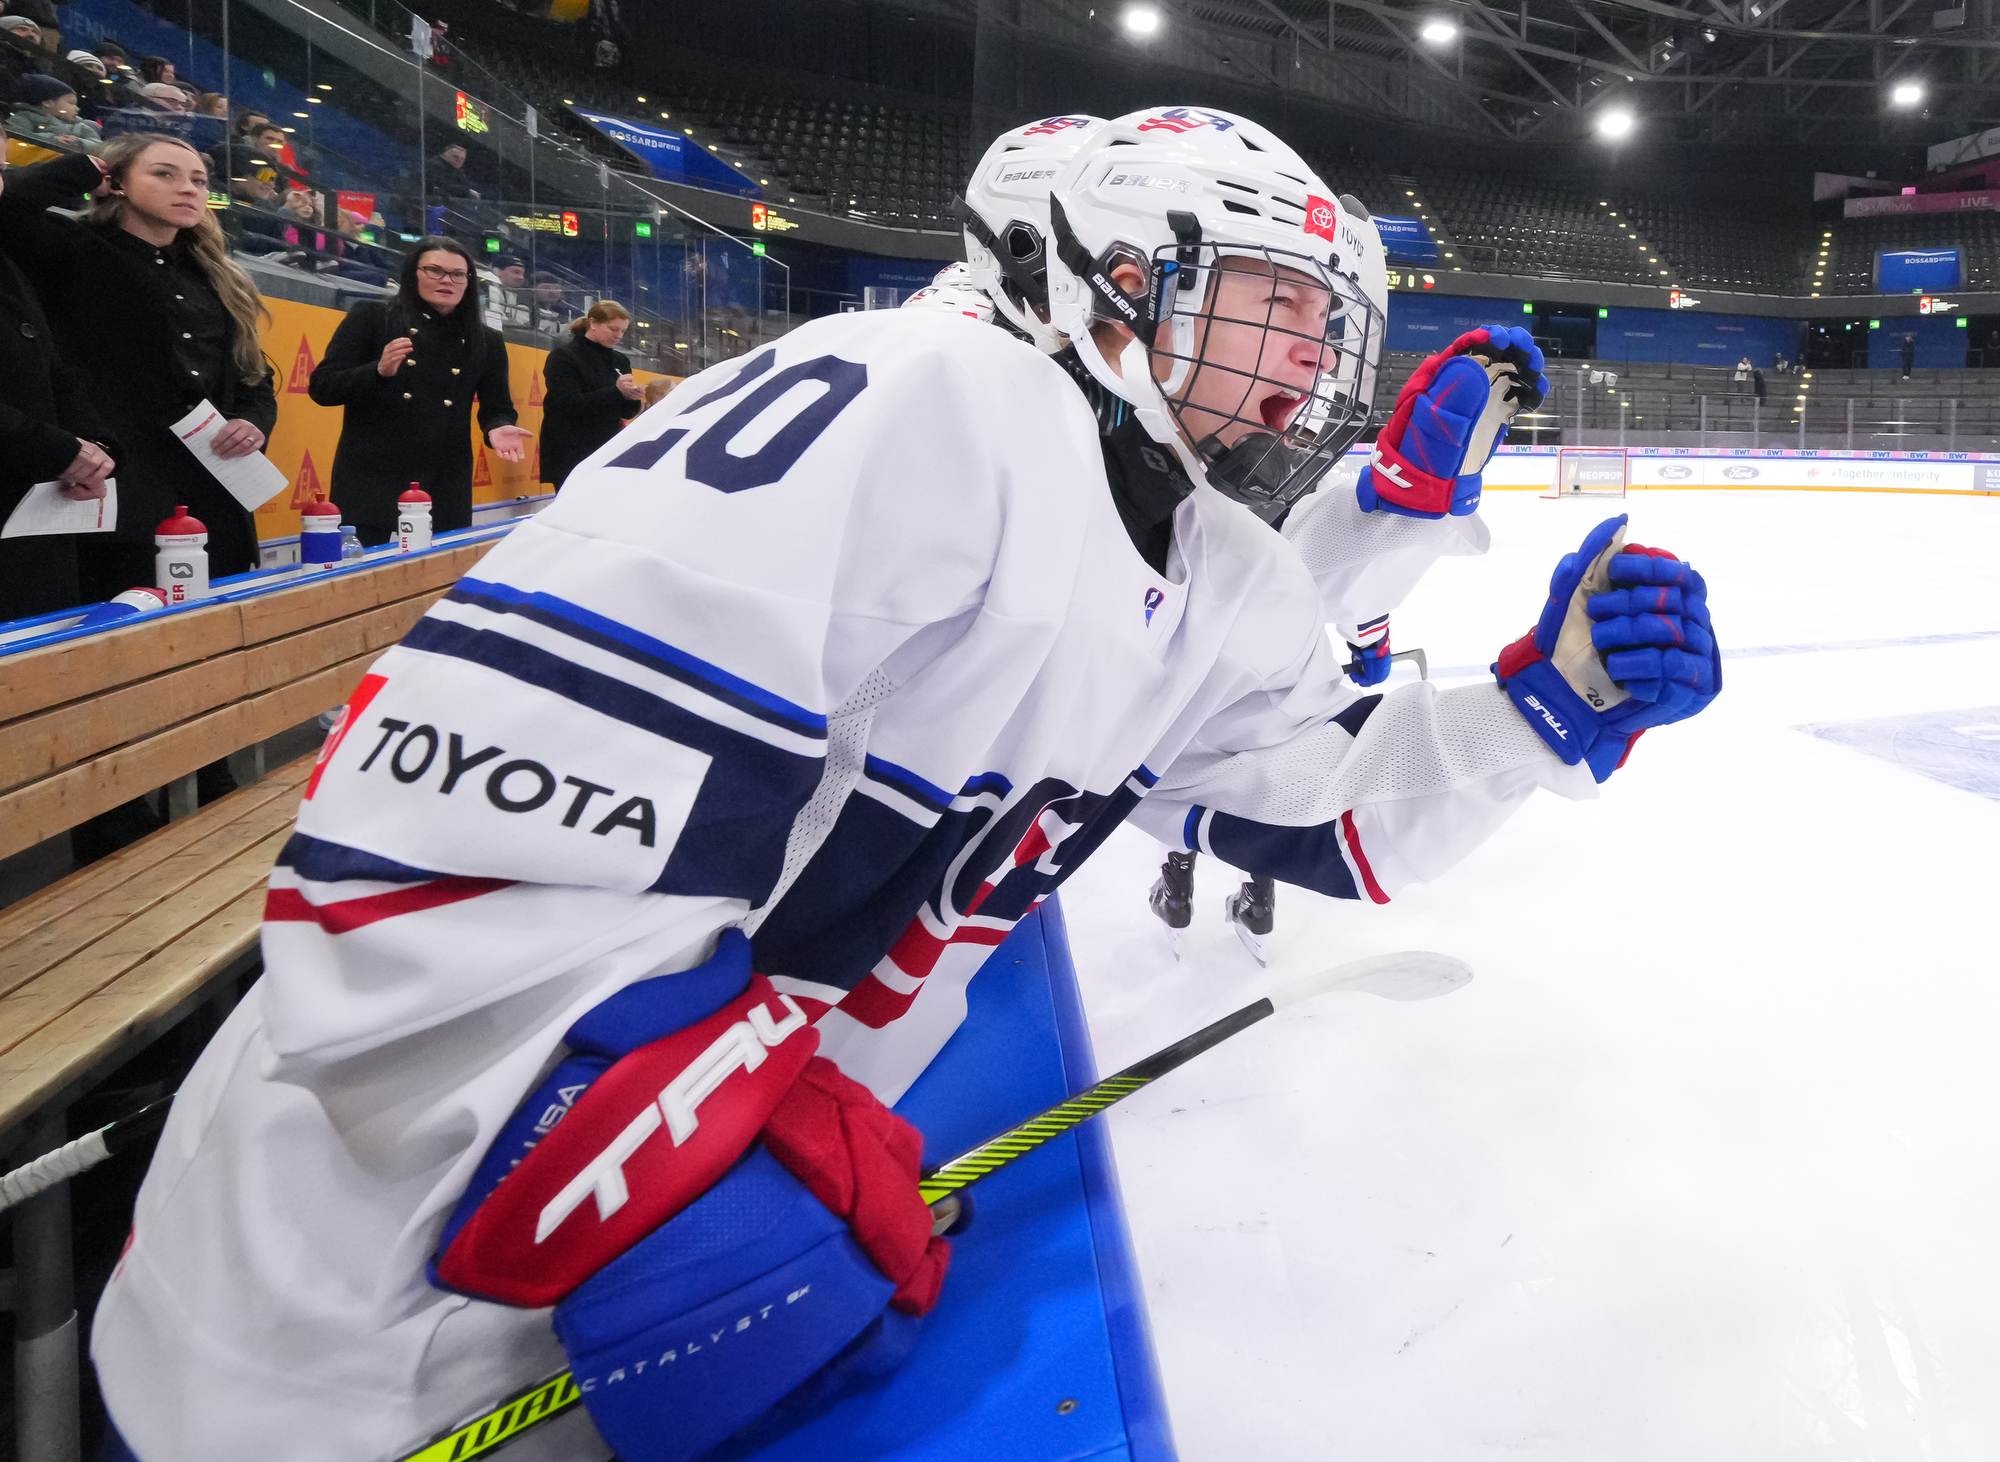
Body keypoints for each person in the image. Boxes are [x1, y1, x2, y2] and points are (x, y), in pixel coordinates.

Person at [91, 107, 1721, 1462]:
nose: (1314, 364)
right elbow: (466, 782)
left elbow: (1330, 812)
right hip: (356, 1296)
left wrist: (1538, 710)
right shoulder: (919, 393)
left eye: (1327, 326)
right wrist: (633, 1127)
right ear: (1116, 280)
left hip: (640, 1295)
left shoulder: (1210, 557)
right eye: (1280, 305)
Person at [0, 134, 276, 600]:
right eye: (164, 174)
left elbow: (251, 372)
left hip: (215, 488)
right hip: (119, 488)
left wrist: (253, 420)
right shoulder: (71, 247)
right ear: (118, 182)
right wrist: (85, 169)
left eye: (198, 180)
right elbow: (10, 211)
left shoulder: (215, 274)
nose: (188, 189)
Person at [307, 236, 531, 545]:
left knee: (440, 572)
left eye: (457, 274)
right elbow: (323, 387)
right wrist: (377, 371)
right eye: (434, 270)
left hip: (444, 475)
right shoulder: (373, 318)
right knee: (364, 576)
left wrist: (498, 426)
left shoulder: (486, 340)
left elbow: (497, 406)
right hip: (371, 474)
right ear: (414, 273)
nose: (446, 281)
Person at [0, 168, 116, 620]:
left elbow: (52, 371)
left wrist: (97, 448)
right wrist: (58, 448)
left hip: (31, 523)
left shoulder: (8, 269)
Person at [539, 298, 641, 489]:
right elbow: (567, 403)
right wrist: (615, 392)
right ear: (593, 323)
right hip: (570, 450)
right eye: (613, 329)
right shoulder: (563, 357)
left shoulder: (620, 360)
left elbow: (625, 412)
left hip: (606, 448)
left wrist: (632, 397)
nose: (618, 335)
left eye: (622, 331)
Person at [5, 72, 100, 151]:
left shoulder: (80, 125)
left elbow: (99, 145)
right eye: (71, 103)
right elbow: (15, 137)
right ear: (48, 102)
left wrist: (80, 143)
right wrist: (52, 139)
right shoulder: (25, 117)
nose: (77, 108)